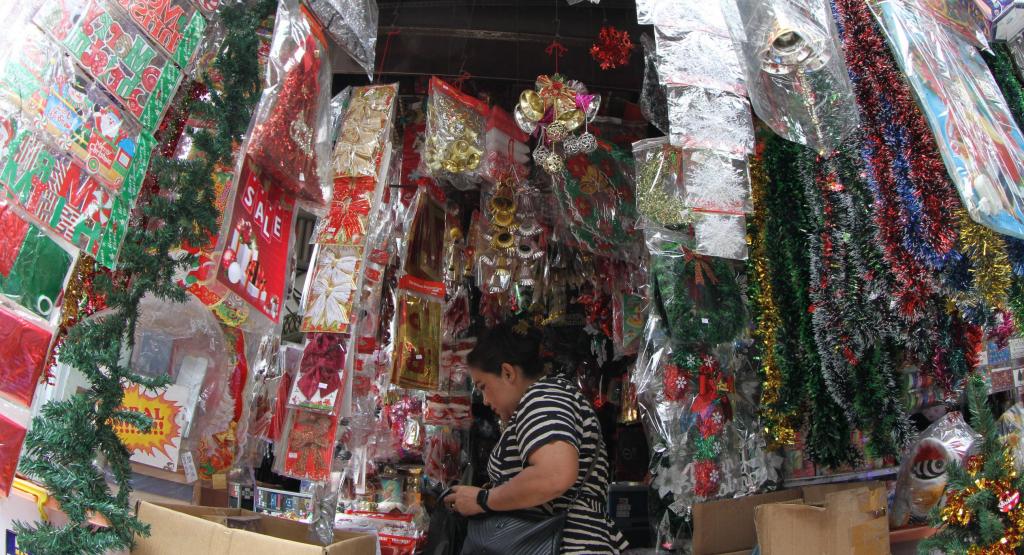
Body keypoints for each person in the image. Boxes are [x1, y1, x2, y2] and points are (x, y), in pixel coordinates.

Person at [445, 321, 627, 554]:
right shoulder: (545, 400)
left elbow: (554, 475)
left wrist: (484, 499)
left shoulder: (543, 397)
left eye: (483, 386)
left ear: (508, 373)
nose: (485, 400)